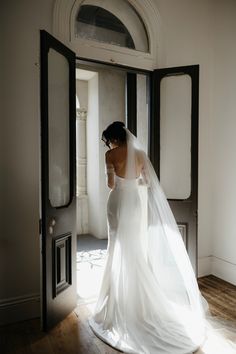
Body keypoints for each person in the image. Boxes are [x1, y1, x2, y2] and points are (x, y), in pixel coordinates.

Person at [88, 122, 235, 354]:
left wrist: (119, 180)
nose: (109, 144)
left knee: (116, 248)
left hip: (117, 203)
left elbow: (110, 184)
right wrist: (132, 181)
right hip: (135, 203)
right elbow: (146, 182)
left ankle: (118, 299)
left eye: (109, 140)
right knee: (134, 248)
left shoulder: (110, 155)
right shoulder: (140, 154)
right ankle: (140, 301)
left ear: (114, 139)